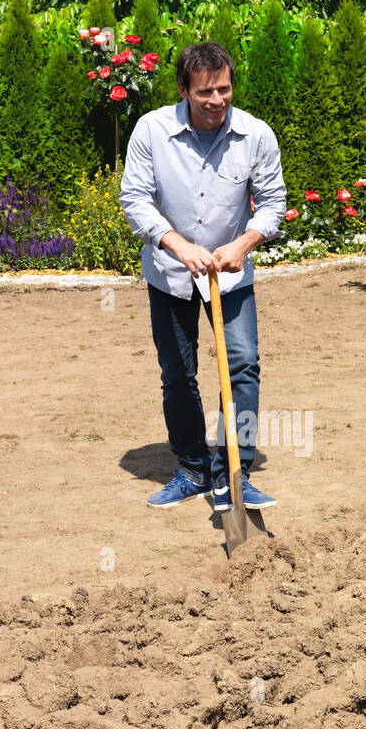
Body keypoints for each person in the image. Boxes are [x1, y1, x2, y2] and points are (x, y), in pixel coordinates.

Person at [119, 40, 286, 513]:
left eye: (224, 90)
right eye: (205, 92)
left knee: (243, 366)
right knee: (178, 373)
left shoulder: (255, 135)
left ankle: (236, 472)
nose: (216, 101)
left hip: (231, 276)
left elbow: (273, 202)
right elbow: (135, 198)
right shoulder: (152, 130)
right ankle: (192, 468)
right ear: (183, 90)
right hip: (170, 273)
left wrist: (244, 243)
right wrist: (176, 243)